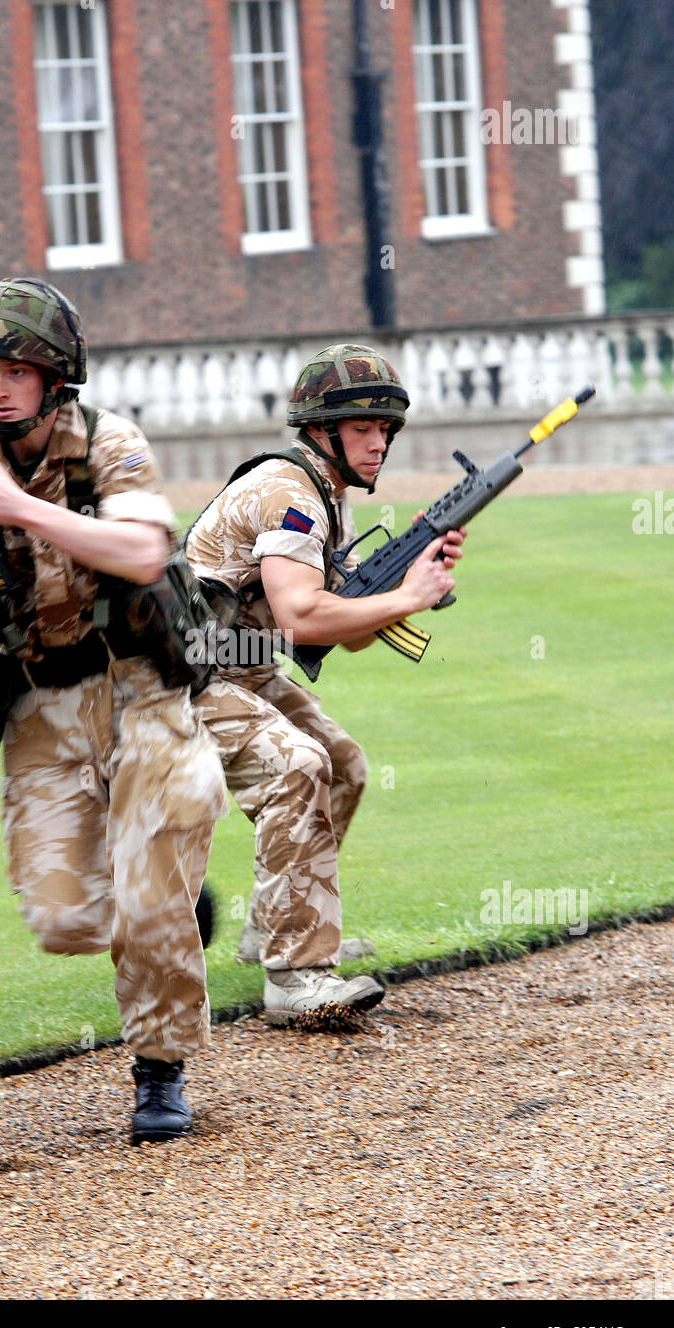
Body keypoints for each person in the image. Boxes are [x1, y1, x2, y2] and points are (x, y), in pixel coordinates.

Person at [0, 277, 229, 1145]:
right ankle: (176, 911)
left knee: (148, 894)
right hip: (42, 707)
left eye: (17, 369)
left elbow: (142, 547)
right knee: (60, 919)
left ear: (56, 376)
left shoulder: (107, 443)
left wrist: (14, 505)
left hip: (140, 691)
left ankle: (159, 1071)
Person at [185, 343, 466, 1025]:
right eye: (363, 429)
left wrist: (403, 587)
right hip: (178, 676)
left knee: (342, 764)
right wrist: (406, 598)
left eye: (385, 431)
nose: (378, 444)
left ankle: (276, 926)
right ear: (320, 431)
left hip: (239, 667)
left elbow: (343, 631)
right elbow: (301, 614)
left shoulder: (324, 495)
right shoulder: (290, 493)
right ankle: (296, 977)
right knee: (297, 763)